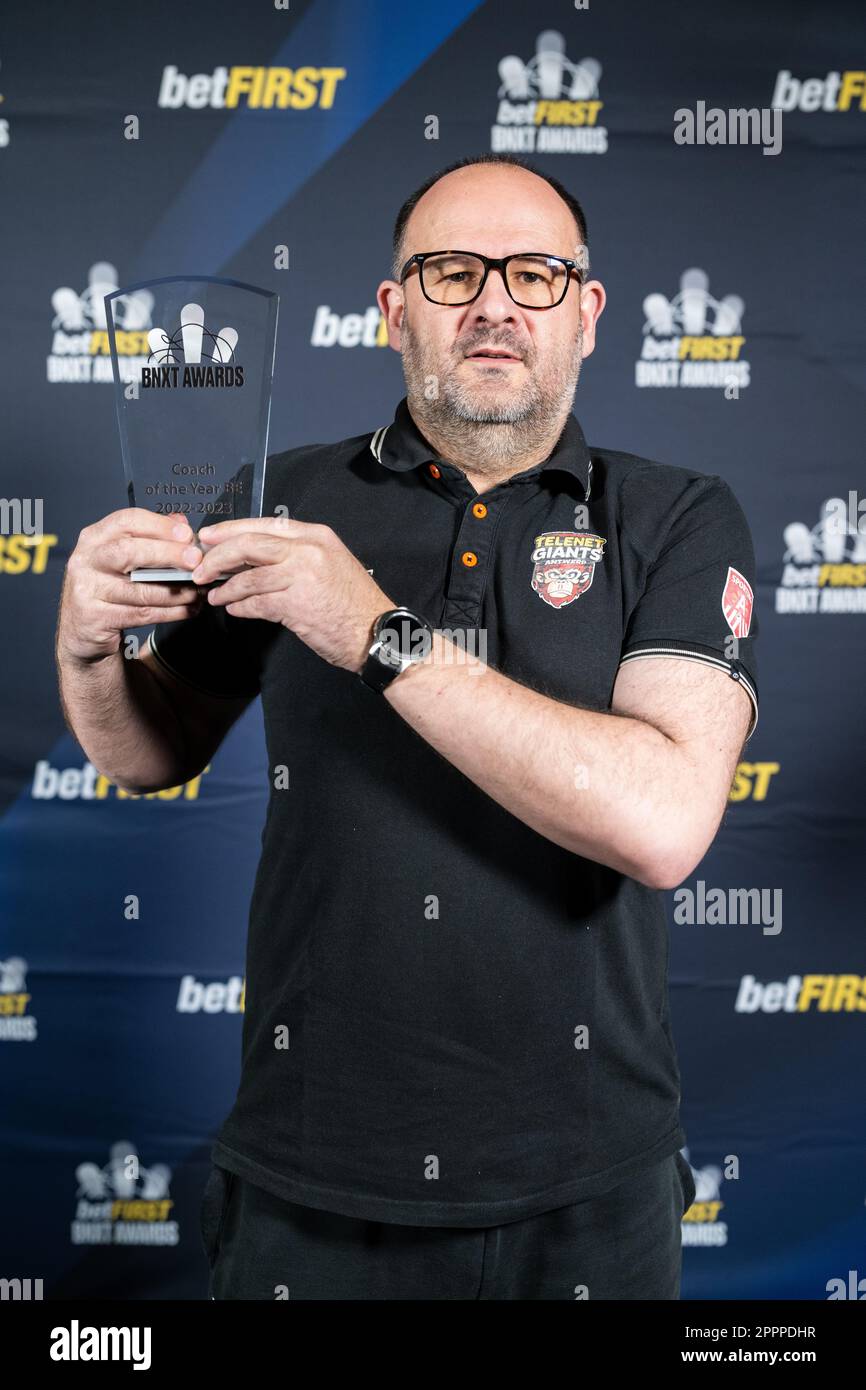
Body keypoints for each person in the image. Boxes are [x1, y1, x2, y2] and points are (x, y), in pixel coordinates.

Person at [56, 153, 758, 1300]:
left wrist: (373, 630)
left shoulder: (675, 515)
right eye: (448, 271)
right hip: (309, 1181)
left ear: (584, 316)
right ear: (391, 311)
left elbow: (663, 821)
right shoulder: (279, 501)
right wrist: (88, 652)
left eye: (534, 275)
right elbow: (151, 747)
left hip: (588, 1192)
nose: (492, 303)